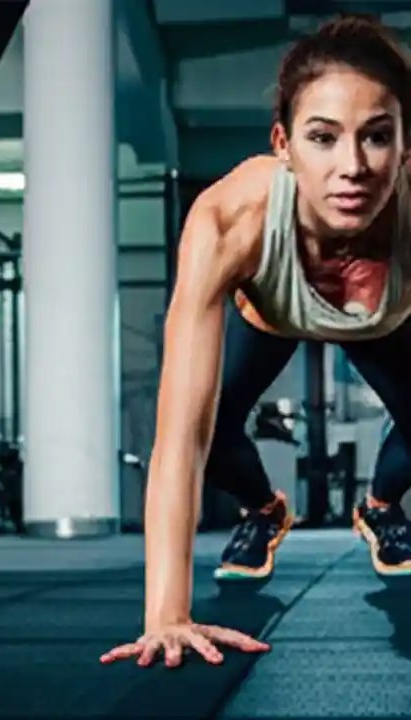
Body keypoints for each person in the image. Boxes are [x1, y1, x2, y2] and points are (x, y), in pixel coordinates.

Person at [102, 14, 411, 670]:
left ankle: (381, 507)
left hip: (387, 323)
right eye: (323, 138)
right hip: (269, 314)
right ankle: (265, 511)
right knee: (211, 429)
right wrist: (168, 615)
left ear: (406, 146)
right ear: (284, 144)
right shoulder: (228, 220)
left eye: (377, 137)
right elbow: (179, 437)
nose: (352, 167)